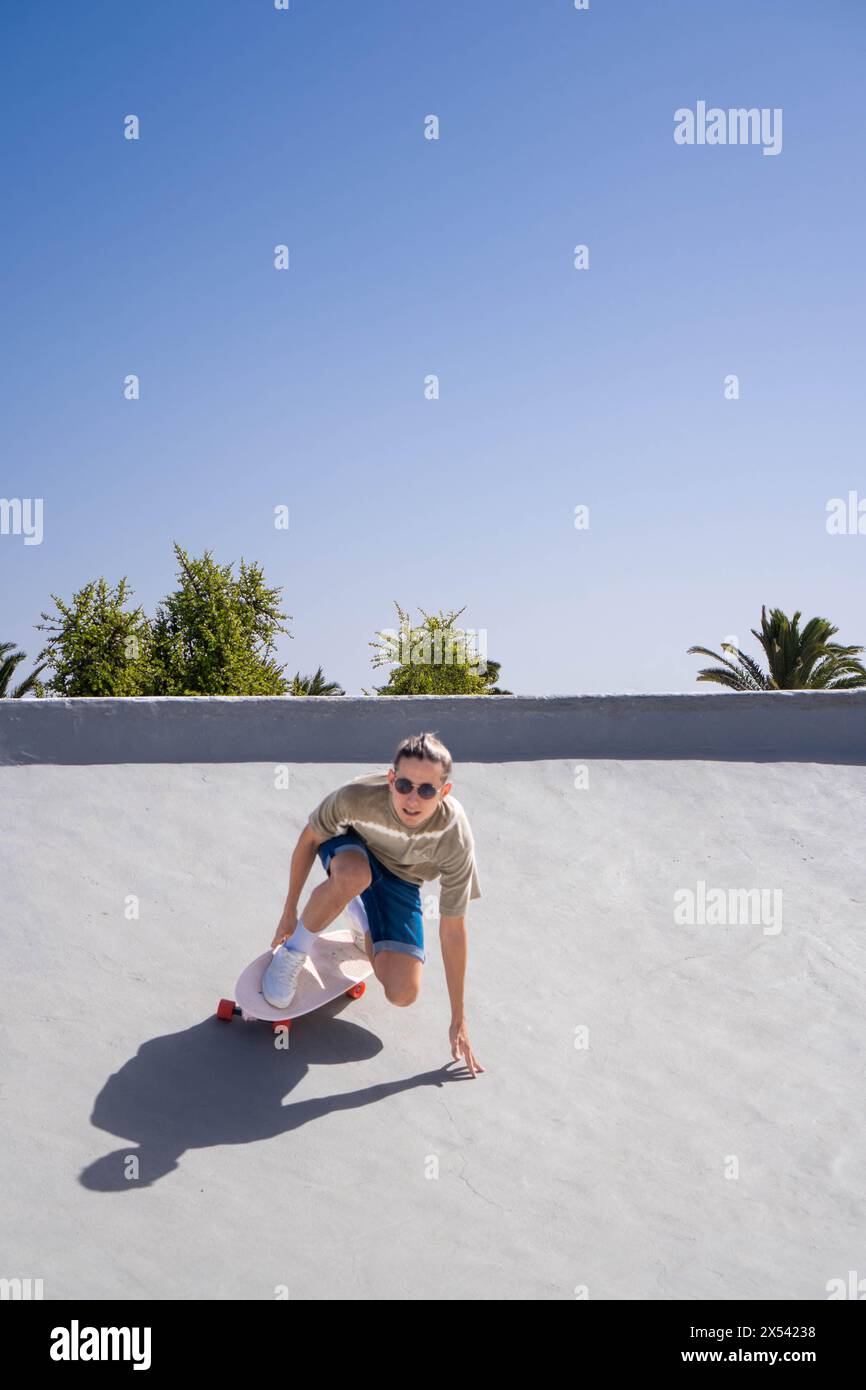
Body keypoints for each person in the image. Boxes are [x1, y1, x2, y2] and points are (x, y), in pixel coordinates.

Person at [263, 730, 485, 1077]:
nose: (413, 798)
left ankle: (361, 914)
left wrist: (459, 1017)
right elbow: (308, 839)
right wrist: (288, 913)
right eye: (405, 785)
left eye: (427, 790)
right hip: (352, 848)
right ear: (391, 779)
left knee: (402, 992)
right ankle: (295, 953)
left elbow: (453, 931)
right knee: (354, 876)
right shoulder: (358, 797)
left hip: (402, 879)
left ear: (444, 792)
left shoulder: (454, 836)